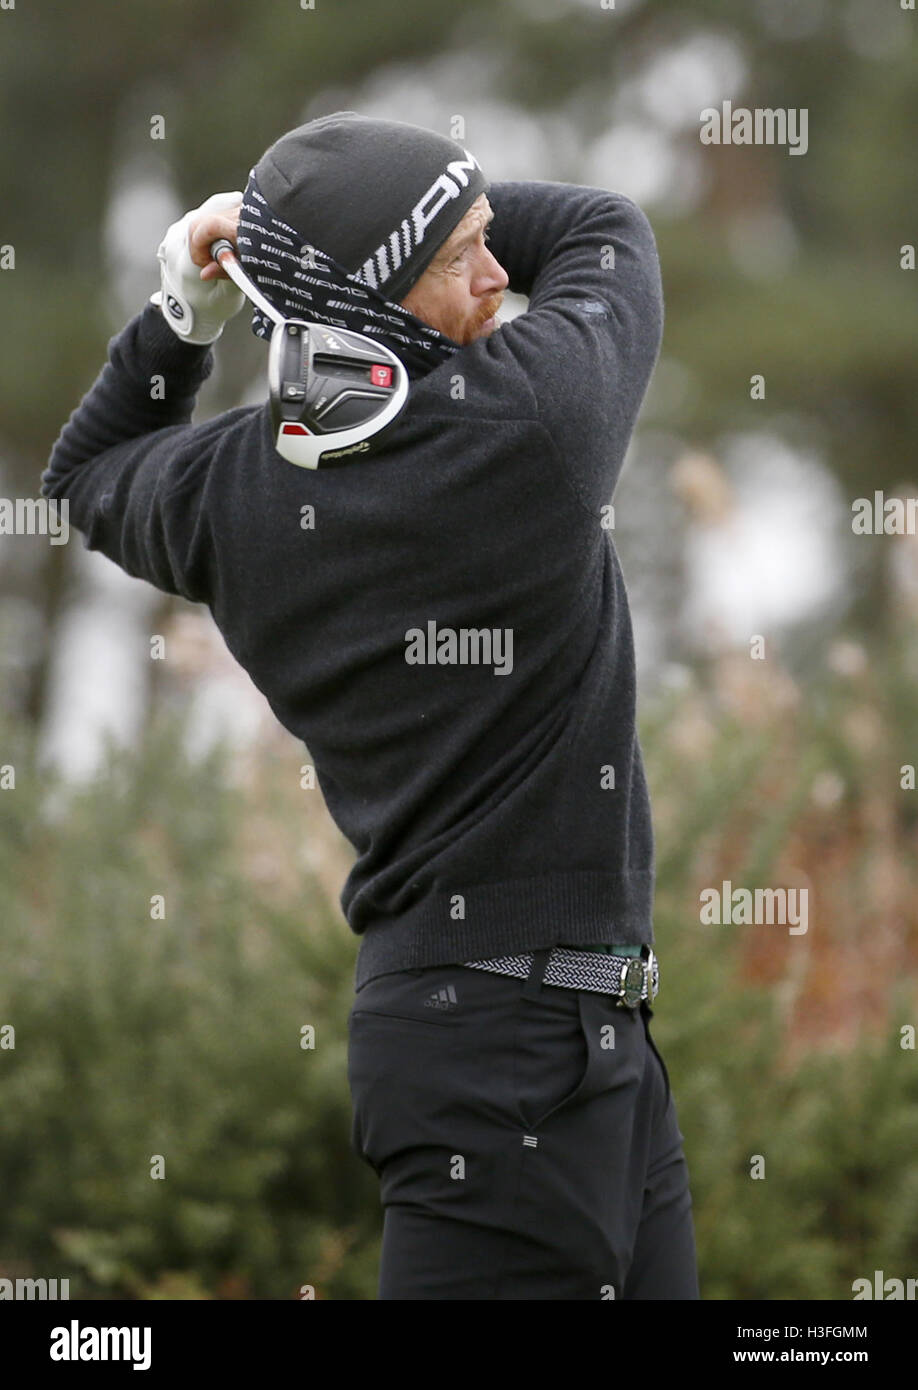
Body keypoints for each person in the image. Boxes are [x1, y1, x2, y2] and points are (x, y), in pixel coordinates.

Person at [42, 110, 699, 1300]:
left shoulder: (230, 491)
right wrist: (300, 242)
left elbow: (85, 477)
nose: (501, 276)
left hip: (563, 1044)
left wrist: (186, 313)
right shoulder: (534, 426)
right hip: (505, 1065)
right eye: (461, 255)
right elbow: (608, 224)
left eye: (492, 235)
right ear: (377, 310)